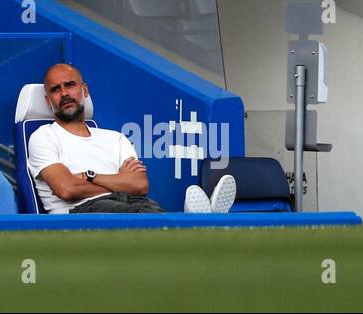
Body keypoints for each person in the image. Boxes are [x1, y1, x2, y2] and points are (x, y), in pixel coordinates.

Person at [27, 63, 236, 214]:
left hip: (130, 203)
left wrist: (89, 176)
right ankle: (201, 228)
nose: (64, 93)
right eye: (55, 89)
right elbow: (67, 189)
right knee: (148, 218)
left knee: (153, 211)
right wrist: (119, 181)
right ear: (48, 101)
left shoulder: (115, 138)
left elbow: (139, 185)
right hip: (80, 214)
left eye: (70, 85)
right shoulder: (43, 137)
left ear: (84, 90)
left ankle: (197, 228)